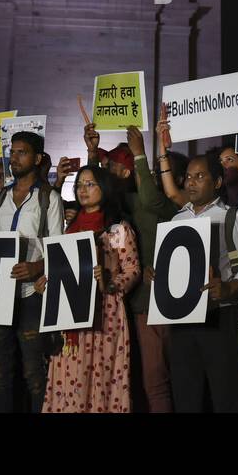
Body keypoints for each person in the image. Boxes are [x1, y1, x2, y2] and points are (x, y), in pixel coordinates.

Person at [39, 163, 141, 412]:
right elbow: (63, 269)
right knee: (68, 377)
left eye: (90, 184)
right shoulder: (69, 228)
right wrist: (48, 282)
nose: (83, 190)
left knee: (98, 378)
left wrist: (110, 282)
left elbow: (132, 270)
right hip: (70, 317)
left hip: (104, 314)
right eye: (79, 185)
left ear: (104, 188)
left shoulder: (117, 228)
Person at [0, 130, 63, 413]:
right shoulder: (0, 197)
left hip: (30, 295)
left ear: (37, 159)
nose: (14, 157)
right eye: (12, 151)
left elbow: (60, 249)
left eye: (21, 152)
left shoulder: (49, 198)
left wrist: (38, 267)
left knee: (35, 374)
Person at [163, 153, 238, 413]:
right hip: (182, 322)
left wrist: (228, 288)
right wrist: (159, 278)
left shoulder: (232, 216)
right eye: (188, 177)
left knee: (226, 397)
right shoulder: (177, 220)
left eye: (200, 176)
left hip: (220, 319)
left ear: (218, 182)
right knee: (186, 398)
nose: (191, 182)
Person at [124, 124, 181, 412]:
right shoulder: (132, 202)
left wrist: (140, 154)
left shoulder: (172, 208)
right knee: (152, 382)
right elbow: (104, 194)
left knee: (177, 381)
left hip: (174, 306)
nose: (147, 179)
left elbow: (151, 197)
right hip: (143, 306)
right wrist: (93, 154)